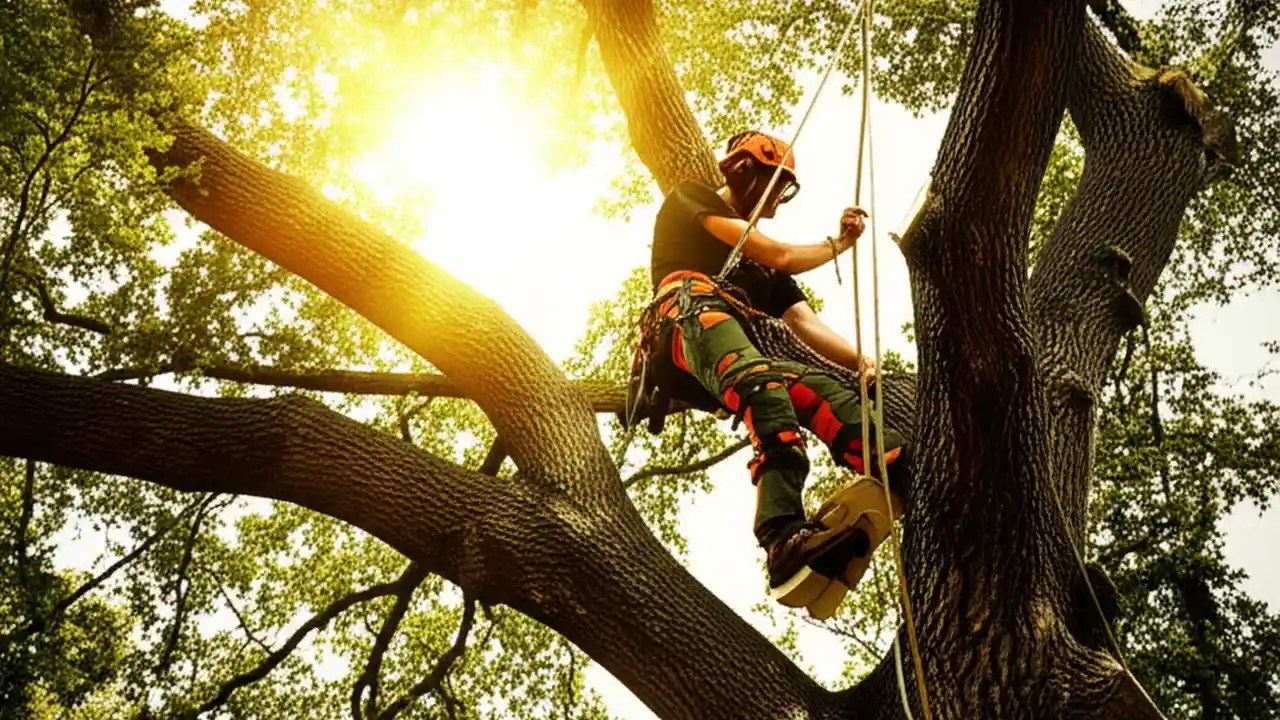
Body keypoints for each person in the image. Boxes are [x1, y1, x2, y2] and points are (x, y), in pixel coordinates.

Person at [636, 130, 906, 609]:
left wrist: (860, 361)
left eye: (784, 189)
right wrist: (840, 243)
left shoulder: (765, 274)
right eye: (774, 184)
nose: (777, 198)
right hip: (688, 316)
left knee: (822, 390)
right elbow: (779, 252)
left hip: (734, 343)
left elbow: (804, 323)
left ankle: (892, 462)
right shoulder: (694, 198)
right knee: (763, 387)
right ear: (744, 170)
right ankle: (782, 538)